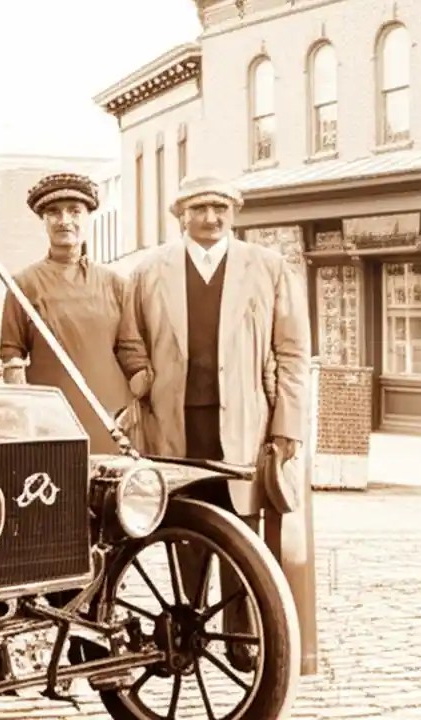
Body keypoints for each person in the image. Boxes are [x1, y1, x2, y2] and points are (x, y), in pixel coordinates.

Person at [116, 174, 311, 670]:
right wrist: (140, 375)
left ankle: (242, 635)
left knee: (241, 527)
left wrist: (287, 423)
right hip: (174, 426)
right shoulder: (148, 272)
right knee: (184, 528)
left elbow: (292, 352)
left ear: (234, 213)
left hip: (245, 426)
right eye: (199, 208)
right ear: (180, 214)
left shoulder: (267, 268)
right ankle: (185, 627)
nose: (210, 217)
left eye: (220, 207)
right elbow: (130, 340)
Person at [0, 172, 135, 454]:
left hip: (110, 416)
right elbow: (11, 354)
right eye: (53, 212)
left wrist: (134, 408)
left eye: (75, 211)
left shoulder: (116, 284)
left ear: (89, 218)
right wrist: (27, 416)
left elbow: (131, 352)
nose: (64, 221)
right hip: (51, 420)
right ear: (43, 221)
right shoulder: (23, 284)